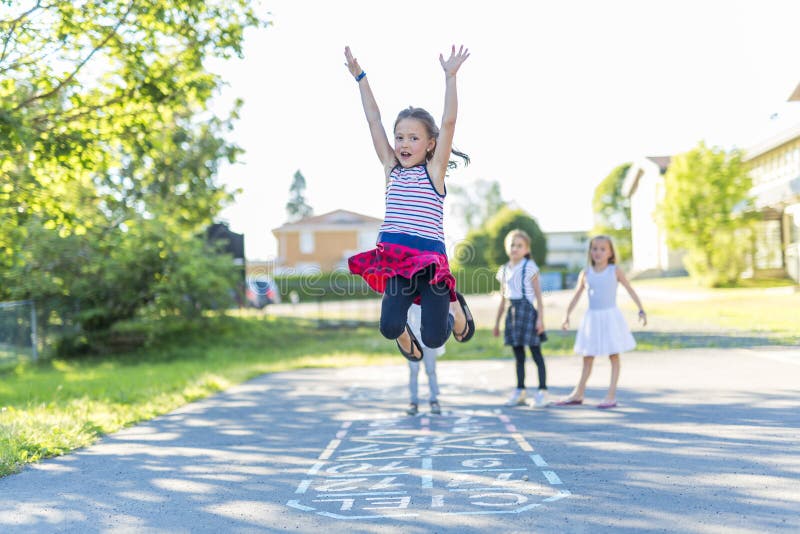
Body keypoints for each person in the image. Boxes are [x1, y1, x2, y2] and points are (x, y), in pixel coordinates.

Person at [344, 45, 475, 362]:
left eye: (413, 138)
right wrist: (361, 78)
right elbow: (374, 120)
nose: (404, 144)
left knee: (433, 337)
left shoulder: (434, 172)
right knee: (389, 326)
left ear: (430, 145)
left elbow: (448, 124)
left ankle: (455, 307)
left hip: (430, 264)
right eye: (400, 137)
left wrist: (451, 79)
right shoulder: (391, 169)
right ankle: (404, 336)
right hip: (396, 261)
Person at [556, 235, 647, 409]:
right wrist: (566, 315)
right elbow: (576, 296)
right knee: (587, 358)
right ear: (590, 251)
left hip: (610, 318)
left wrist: (641, 309)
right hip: (592, 319)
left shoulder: (614, 270)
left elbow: (630, 290)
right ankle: (578, 393)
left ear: (610, 252)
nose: (598, 252)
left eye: (603, 249)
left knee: (613, 356)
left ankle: (611, 395)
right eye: (594, 248)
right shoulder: (586, 273)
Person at [493, 229, 549, 408]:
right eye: (512, 245)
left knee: (536, 353)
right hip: (512, 312)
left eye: (520, 246)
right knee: (518, 355)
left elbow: (539, 296)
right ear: (506, 248)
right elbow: (503, 299)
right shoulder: (503, 270)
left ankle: (542, 391)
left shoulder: (529, 266)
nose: (515, 248)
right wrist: (497, 322)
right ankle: (520, 390)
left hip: (527, 312)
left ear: (526, 249)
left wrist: (540, 319)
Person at [405, 303, 444, 416]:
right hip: (413, 339)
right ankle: (413, 401)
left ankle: (434, 400)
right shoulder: (409, 292)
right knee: (413, 370)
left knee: (431, 370)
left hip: (429, 338)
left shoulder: (430, 294)